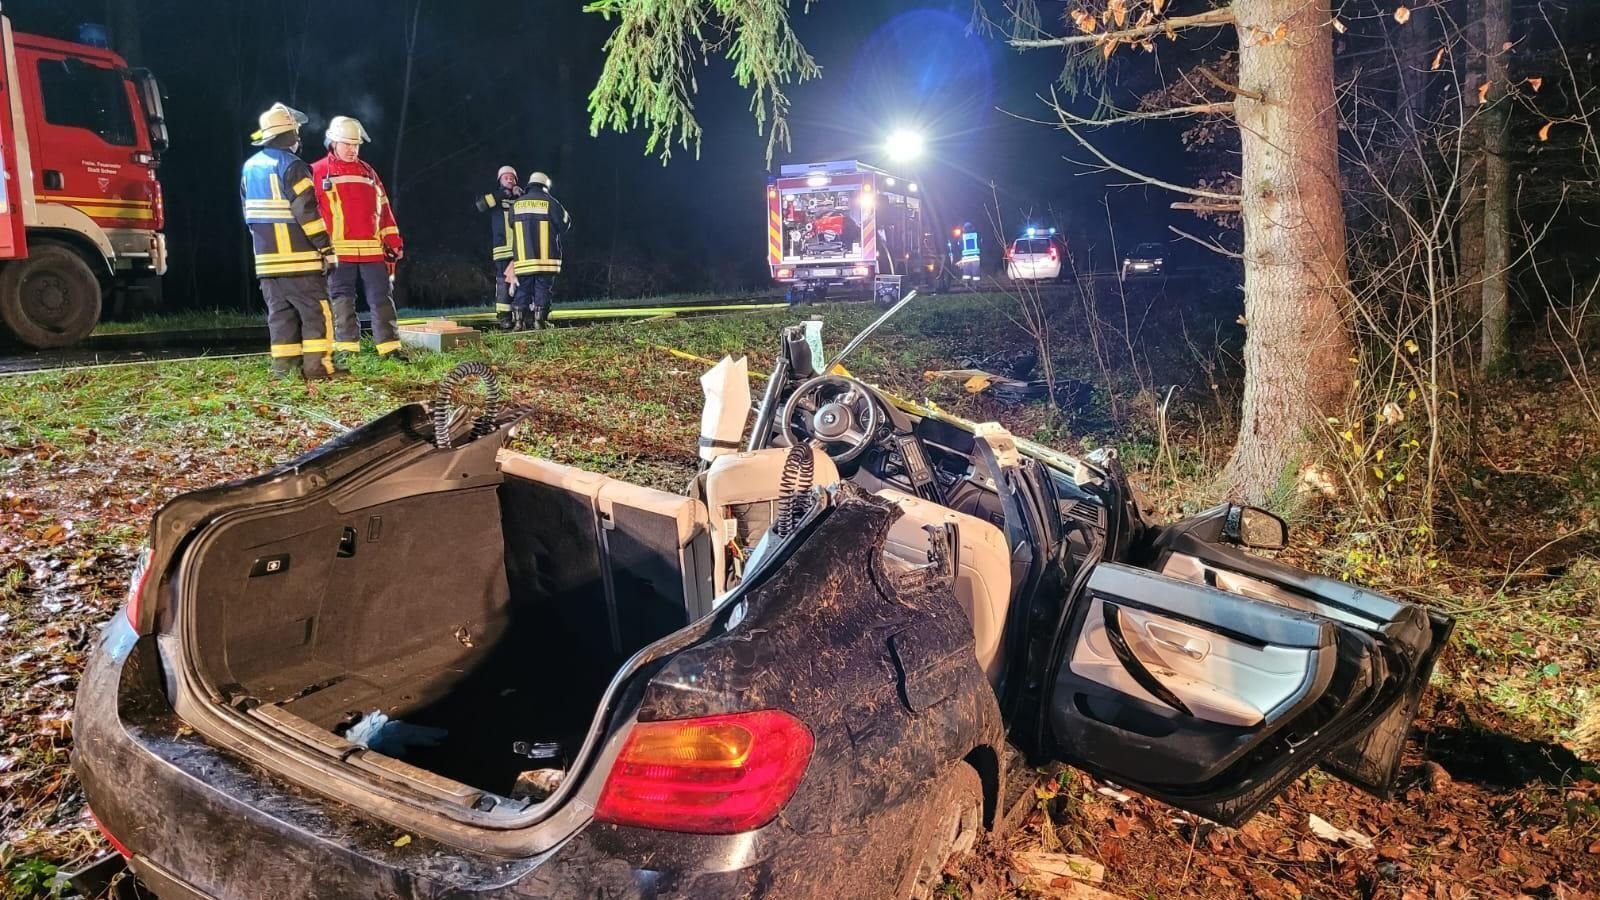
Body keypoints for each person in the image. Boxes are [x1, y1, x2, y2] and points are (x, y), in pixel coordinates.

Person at [240, 102, 339, 381]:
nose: (299, 137)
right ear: (289, 135)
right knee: (315, 315)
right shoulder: (293, 166)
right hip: (300, 262)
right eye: (296, 132)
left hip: (267, 264)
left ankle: (285, 372)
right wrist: (326, 248)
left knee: (280, 318)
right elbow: (307, 213)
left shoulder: (249, 167)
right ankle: (318, 369)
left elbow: (248, 215)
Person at [311, 116, 407, 364]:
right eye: (347, 144)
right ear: (333, 142)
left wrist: (393, 242)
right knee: (342, 300)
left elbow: (383, 209)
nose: (353, 149)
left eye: (356, 145)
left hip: (372, 250)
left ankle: (390, 349)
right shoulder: (318, 171)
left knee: (382, 298)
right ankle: (347, 350)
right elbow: (307, 214)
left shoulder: (368, 172)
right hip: (338, 251)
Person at [507, 171, 571, 331]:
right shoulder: (551, 202)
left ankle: (518, 322)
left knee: (523, 289)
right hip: (546, 258)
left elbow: (511, 223)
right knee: (543, 288)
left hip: (523, 258)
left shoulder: (517, 204)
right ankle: (539, 321)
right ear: (546, 186)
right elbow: (565, 223)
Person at [475, 165, 521, 329]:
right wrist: (501, 194)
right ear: (500, 181)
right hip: (502, 249)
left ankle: (522, 315)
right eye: (506, 177)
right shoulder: (495, 198)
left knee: (524, 282)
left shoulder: (521, 199)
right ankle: (504, 317)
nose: (509, 179)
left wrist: (521, 195)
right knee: (503, 283)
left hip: (522, 250)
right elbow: (480, 205)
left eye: (512, 177)